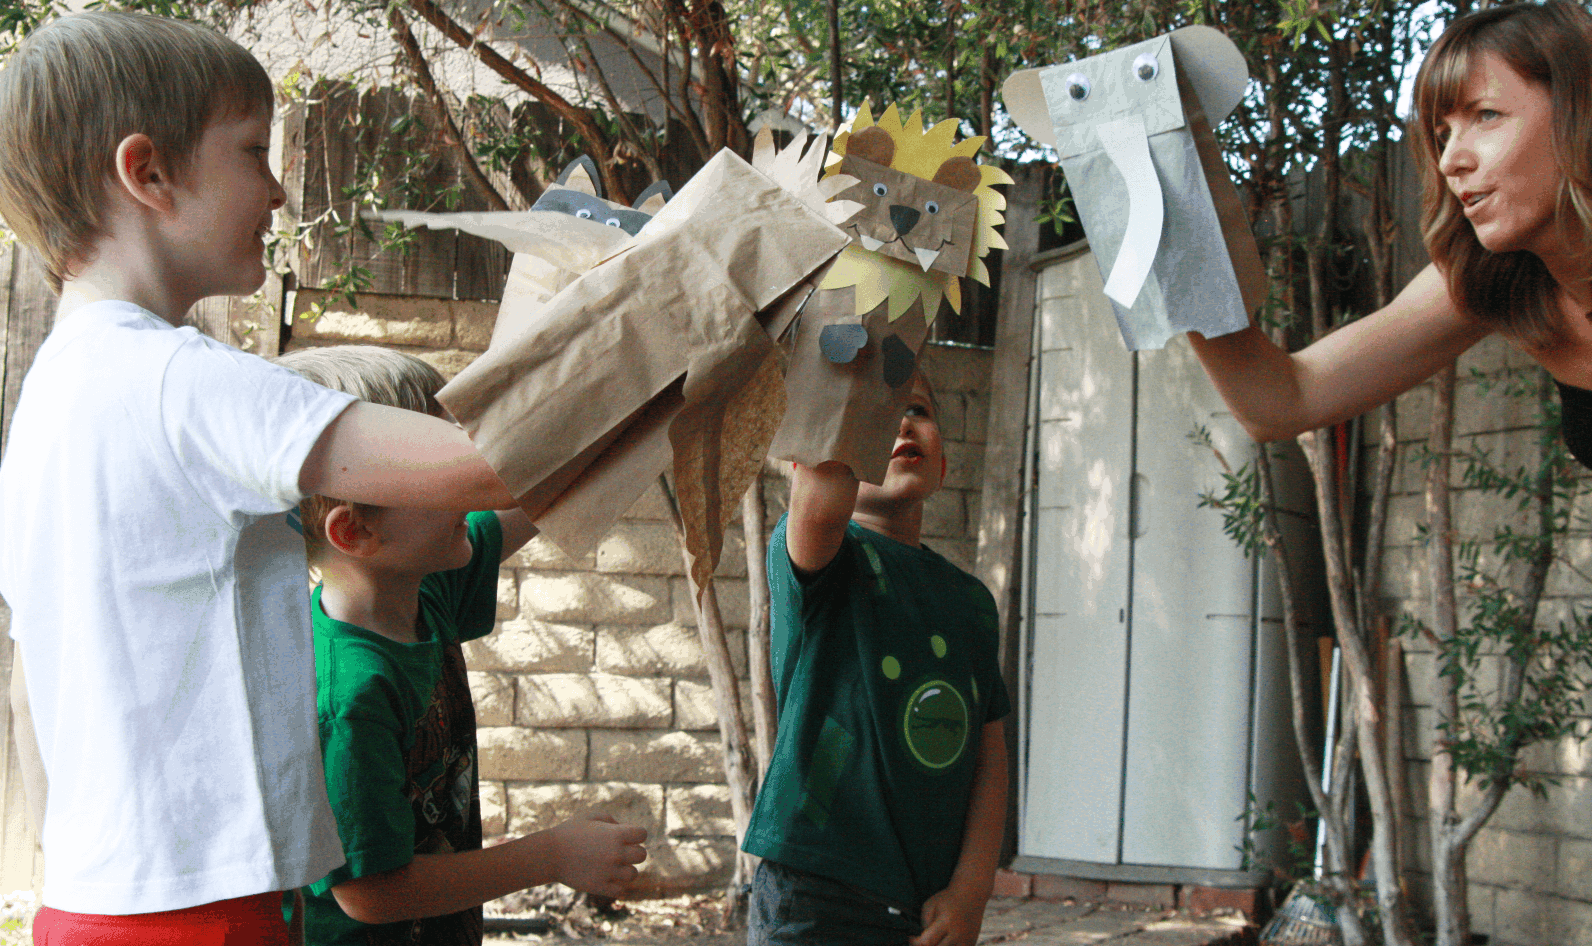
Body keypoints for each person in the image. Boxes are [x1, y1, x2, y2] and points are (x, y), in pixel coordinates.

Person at [0, 11, 514, 943]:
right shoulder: (179, 379)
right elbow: (491, 466)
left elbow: (28, 687)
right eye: (252, 151)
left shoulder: (51, 398)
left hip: (89, 904)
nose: (278, 190)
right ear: (148, 173)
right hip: (201, 918)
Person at [273, 346, 647, 946]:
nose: (473, 480)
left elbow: (548, 487)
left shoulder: (422, 587)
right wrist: (550, 855)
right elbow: (371, 892)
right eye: (442, 469)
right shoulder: (349, 697)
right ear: (357, 530)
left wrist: (649, 389)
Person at [1187, 0, 1592, 463]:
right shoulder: (1494, 278)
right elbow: (1283, 401)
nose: (1450, 161)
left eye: (1486, 115)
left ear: (1580, 111)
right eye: (1443, 134)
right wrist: (1175, 244)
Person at [742, 371, 1010, 946]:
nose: (902, 422)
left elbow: (990, 760)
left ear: (942, 466)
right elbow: (821, 504)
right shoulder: (822, 554)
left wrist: (972, 889)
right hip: (815, 892)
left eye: (918, 409)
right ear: (811, 463)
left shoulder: (971, 602)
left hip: (925, 905)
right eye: (876, 413)